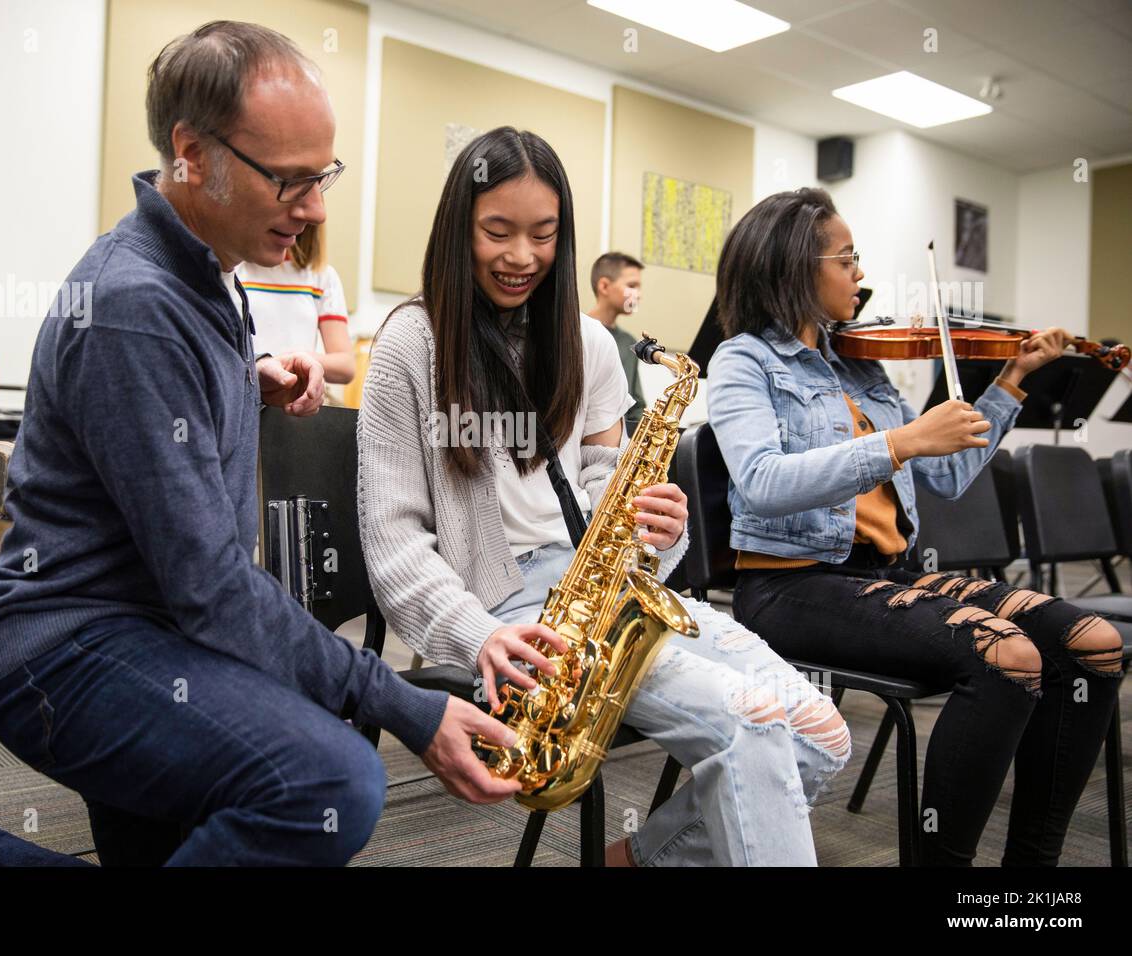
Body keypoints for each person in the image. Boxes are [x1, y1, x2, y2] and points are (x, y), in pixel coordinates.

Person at [0, 20, 517, 869]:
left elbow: (164, 426)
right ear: (192, 153)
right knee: (331, 782)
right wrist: (406, 706)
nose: (313, 210)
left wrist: (246, 378)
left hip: (151, 636)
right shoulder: (136, 304)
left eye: (324, 177)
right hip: (65, 649)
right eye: (290, 181)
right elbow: (213, 590)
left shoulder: (205, 271)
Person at [357, 127, 851, 868]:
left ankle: (636, 859)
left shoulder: (588, 345)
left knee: (823, 731)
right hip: (501, 607)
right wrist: (477, 636)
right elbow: (392, 544)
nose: (522, 256)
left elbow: (603, 496)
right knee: (751, 725)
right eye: (497, 231)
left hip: (603, 589)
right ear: (459, 228)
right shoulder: (411, 343)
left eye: (544, 235)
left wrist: (658, 528)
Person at [707, 186, 1125, 867]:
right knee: (1006, 654)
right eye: (847, 259)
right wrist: (898, 442)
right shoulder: (744, 361)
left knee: (1092, 644)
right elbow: (761, 481)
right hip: (792, 588)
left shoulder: (864, 363)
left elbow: (949, 475)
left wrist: (1012, 380)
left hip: (887, 576)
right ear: (793, 266)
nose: (861, 274)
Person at [238, 220, 357, 388]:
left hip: (295, 400)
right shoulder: (235, 271)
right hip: (247, 397)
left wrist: (296, 359)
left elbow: (345, 366)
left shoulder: (322, 276)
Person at [586, 252, 647, 433]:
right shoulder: (576, 332)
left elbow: (636, 405)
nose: (639, 295)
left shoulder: (630, 342)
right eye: (632, 285)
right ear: (604, 286)